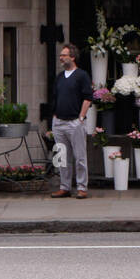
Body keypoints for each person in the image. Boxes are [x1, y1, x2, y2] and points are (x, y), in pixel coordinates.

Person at [48, 43, 93, 198]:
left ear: (72, 57)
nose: (61, 58)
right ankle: (64, 186)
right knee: (61, 157)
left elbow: (88, 97)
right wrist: (54, 116)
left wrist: (81, 117)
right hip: (59, 122)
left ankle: (82, 187)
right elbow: (54, 97)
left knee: (80, 157)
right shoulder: (60, 77)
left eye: (64, 55)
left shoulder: (82, 75)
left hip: (75, 122)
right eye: (60, 55)